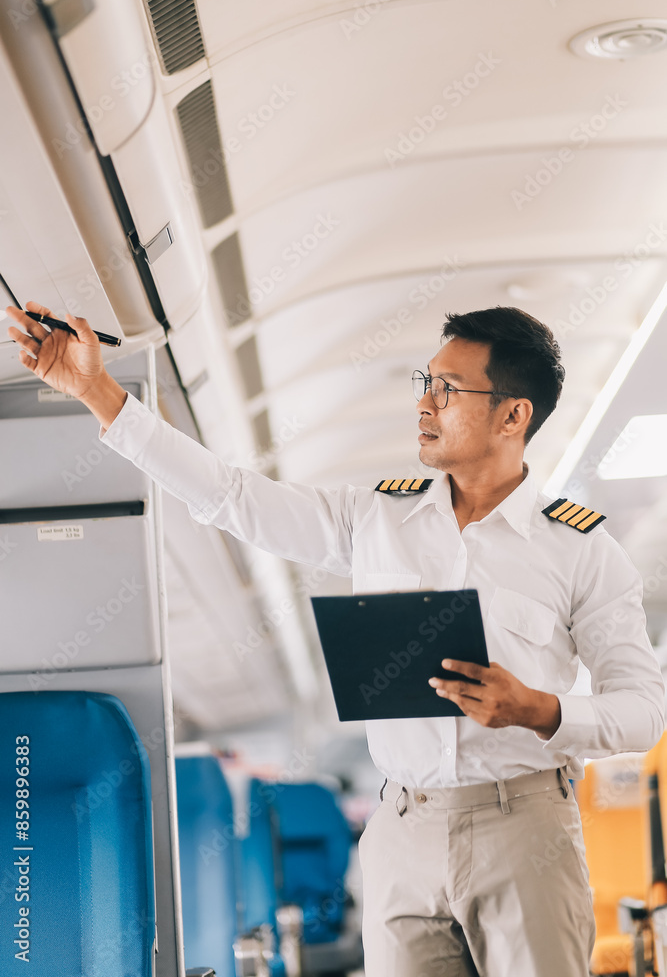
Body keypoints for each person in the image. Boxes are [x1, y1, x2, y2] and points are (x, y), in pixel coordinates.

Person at [6, 301, 665, 977]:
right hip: (401, 828)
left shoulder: (581, 549)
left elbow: (645, 709)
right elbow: (233, 498)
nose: (425, 404)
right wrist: (99, 392)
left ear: (512, 414)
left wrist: (539, 710)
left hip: (523, 823)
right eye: (424, 383)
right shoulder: (377, 516)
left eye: (448, 389)